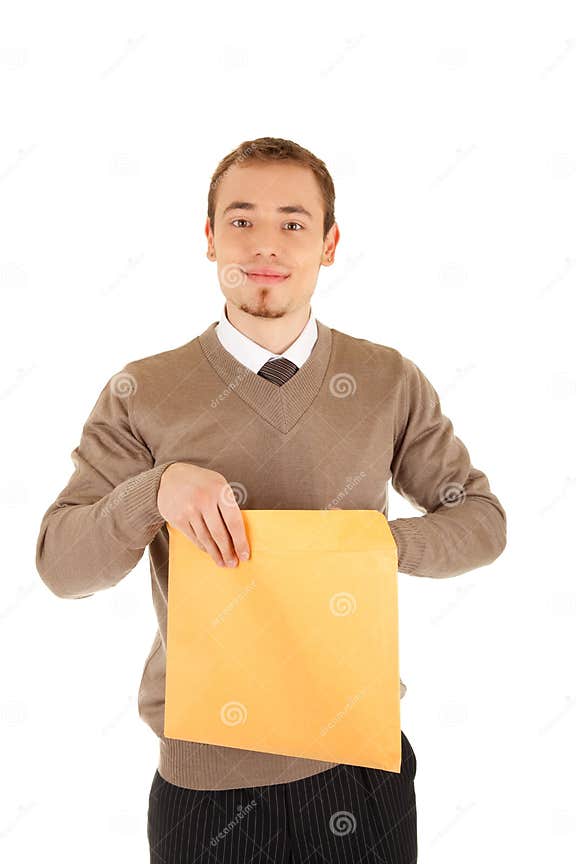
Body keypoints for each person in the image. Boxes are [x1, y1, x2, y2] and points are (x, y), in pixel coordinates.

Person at [36, 136, 507, 862]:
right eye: (241, 220)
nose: (266, 244)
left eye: (293, 222)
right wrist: (153, 491)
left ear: (329, 244)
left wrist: (370, 545)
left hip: (359, 768)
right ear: (209, 238)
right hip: (208, 787)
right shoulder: (142, 391)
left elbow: (481, 522)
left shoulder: (387, 379)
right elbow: (63, 568)